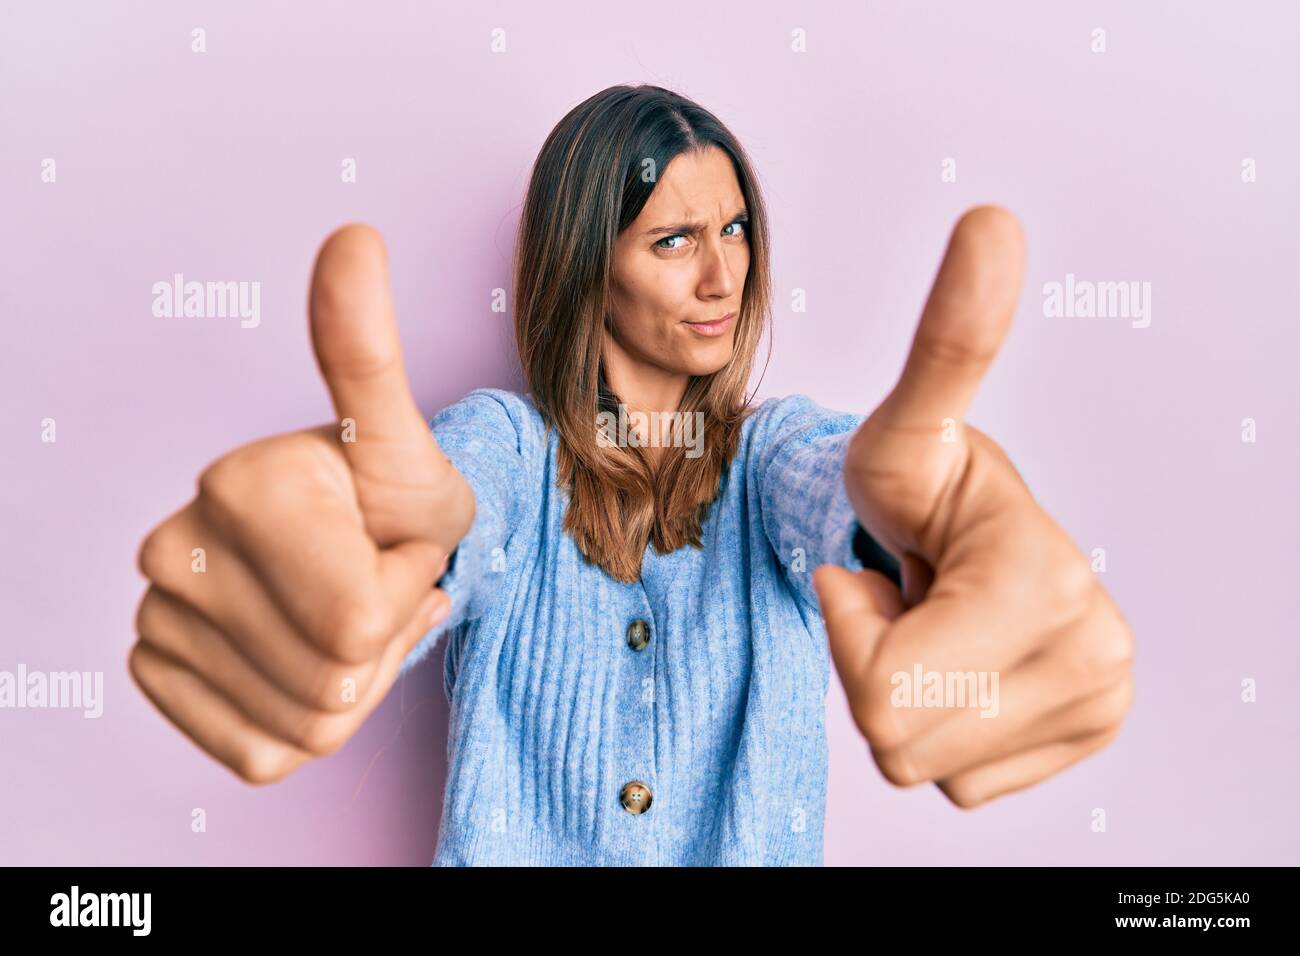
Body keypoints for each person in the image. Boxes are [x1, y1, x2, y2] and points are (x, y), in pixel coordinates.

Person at [129, 84, 1135, 866]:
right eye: (674, 239)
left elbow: (841, 491)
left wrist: (931, 531)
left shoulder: (769, 459)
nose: (723, 276)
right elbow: (451, 506)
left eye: (735, 228)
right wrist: (388, 549)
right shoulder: (510, 452)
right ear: (584, 264)